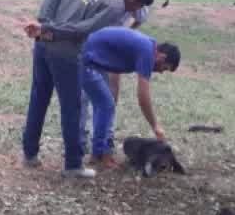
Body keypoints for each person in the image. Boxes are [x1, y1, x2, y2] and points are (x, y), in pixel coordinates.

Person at [20, 0, 155, 178]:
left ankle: (29, 154)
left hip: (43, 42)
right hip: (64, 51)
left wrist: (44, 23)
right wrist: (50, 30)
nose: (133, 12)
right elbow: (82, 30)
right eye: (137, 6)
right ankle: (73, 165)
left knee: (39, 96)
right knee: (72, 106)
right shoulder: (116, 6)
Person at [78, 26, 181, 169]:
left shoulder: (146, 46)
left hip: (94, 61)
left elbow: (115, 67)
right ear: (161, 57)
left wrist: (113, 97)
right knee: (105, 105)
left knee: (105, 105)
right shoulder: (147, 52)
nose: (161, 72)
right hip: (84, 58)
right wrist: (155, 126)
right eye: (164, 68)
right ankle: (100, 155)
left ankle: (98, 154)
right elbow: (143, 97)